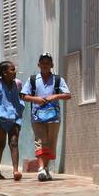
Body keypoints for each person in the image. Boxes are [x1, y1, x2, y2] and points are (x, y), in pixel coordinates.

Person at [21, 53, 71, 181]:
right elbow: (24, 95)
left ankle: (46, 168)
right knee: (41, 141)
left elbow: (67, 95)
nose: (45, 65)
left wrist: (55, 96)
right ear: (38, 65)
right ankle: (41, 169)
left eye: (47, 63)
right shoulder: (33, 80)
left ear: (52, 65)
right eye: (42, 63)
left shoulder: (58, 80)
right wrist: (36, 99)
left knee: (51, 143)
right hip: (37, 117)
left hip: (54, 117)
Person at [0, 60, 25, 182]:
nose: (15, 72)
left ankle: (15, 170)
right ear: (4, 72)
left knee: (14, 142)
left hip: (14, 117)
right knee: (1, 143)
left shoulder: (18, 84)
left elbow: (22, 96)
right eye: (12, 69)